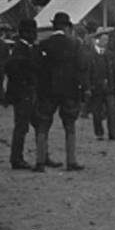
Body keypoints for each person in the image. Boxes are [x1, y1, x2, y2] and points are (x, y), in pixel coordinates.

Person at [34, 11, 86, 172]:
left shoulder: (43, 44)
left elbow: (38, 69)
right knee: (70, 125)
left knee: (43, 125)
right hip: (69, 91)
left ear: (53, 26)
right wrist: (81, 89)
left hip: (48, 91)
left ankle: (40, 161)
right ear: (67, 27)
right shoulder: (75, 44)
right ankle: (71, 161)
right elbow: (81, 68)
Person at [5, 18, 41, 170]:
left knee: (37, 124)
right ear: (26, 33)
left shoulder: (22, 48)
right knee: (22, 126)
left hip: (26, 92)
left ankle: (41, 155)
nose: (35, 35)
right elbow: (15, 69)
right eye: (33, 32)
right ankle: (17, 158)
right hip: (24, 93)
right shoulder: (21, 50)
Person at [86, 27, 115, 141]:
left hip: (109, 87)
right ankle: (99, 133)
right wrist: (89, 87)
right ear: (97, 40)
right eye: (104, 39)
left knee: (112, 110)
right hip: (96, 87)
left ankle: (113, 133)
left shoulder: (110, 55)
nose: (106, 42)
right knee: (97, 111)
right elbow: (88, 72)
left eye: (107, 40)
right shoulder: (90, 55)